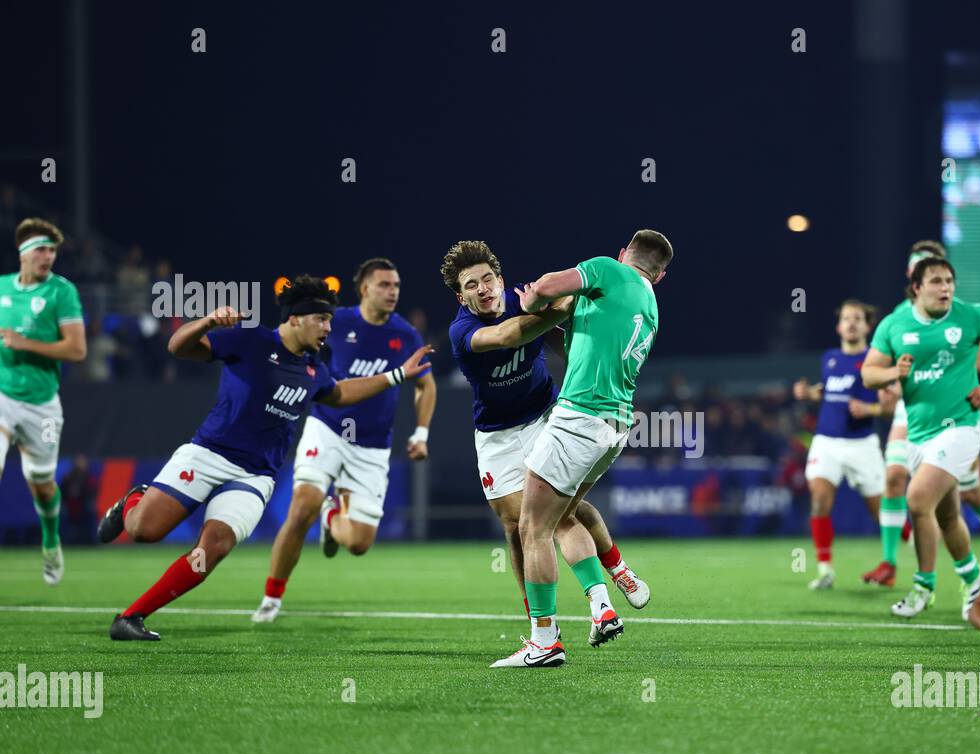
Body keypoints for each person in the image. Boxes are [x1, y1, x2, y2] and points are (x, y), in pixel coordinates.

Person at [96, 276, 431, 641]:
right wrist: (207, 322)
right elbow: (178, 347)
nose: (328, 328)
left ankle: (131, 616)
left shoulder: (314, 368)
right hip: (208, 453)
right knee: (143, 531)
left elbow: (339, 394)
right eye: (321, 319)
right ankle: (134, 499)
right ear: (295, 319)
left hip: (255, 476)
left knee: (213, 548)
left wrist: (398, 375)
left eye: (330, 320)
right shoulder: (251, 339)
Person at [442, 240, 650, 648]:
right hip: (496, 435)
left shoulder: (524, 300)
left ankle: (598, 598)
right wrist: (560, 306)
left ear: (500, 279)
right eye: (471, 285)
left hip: (544, 416)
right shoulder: (461, 330)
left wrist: (578, 340)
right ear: (461, 297)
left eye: (488, 279)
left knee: (552, 515)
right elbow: (508, 336)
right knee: (517, 526)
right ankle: (566, 609)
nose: (483, 289)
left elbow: (562, 339)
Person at [496, 229, 673, 668]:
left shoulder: (606, 269)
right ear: (660, 275)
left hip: (580, 417)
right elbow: (588, 342)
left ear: (622, 254)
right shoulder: (650, 305)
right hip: (616, 425)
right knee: (565, 517)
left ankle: (544, 642)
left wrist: (531, 302)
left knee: (532, 528)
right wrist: (562, 317)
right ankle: (606, 601)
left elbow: (546, 286)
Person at [252, 259, 436, 622]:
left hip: (372, 444)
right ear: (365, 288)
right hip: (328, 428)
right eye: (384, 284)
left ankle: (331, 513)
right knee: (301, 507)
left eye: (396, 285)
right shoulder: (336, 322)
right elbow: (297, 349)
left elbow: (425, 385)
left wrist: (421, 432)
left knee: (358, 544)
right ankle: (271, 598)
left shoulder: (406, 335)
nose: (393, 291)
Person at [862, 257, 980, 620]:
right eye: (936, 281)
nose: (946, 287)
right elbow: (869, 374)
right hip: (919, 434)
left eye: (949, 280)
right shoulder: (894, 324)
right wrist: (893, 372)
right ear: (917, 287)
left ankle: (924, 586)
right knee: (948, 517)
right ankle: (974, 581)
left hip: (961, 427)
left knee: (917, 498)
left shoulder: (972, 315)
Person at [0, 217, 87, 584]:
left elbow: (77, 350)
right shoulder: (2, 288)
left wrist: (25, 343)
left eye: (52, 250)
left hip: (42, 405)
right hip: (3, 396)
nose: (48, 256)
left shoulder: (61, 292)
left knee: (42, 482)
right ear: (23, 253)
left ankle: (51, 541)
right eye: (41, 249)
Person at [793, 299, 891, 589]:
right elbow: (829, 391)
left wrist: (870, 409)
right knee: (819, 500)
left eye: (857, 319)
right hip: (826, 441)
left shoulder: (876, 360)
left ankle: (907, 551)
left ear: (868, 326)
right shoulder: (830, 358)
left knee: (882, 513)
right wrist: (809, 394)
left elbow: (892, 406)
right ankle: (825, 570)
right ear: (838, 326)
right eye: (846, 318)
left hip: (862, 444)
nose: (851, 323)